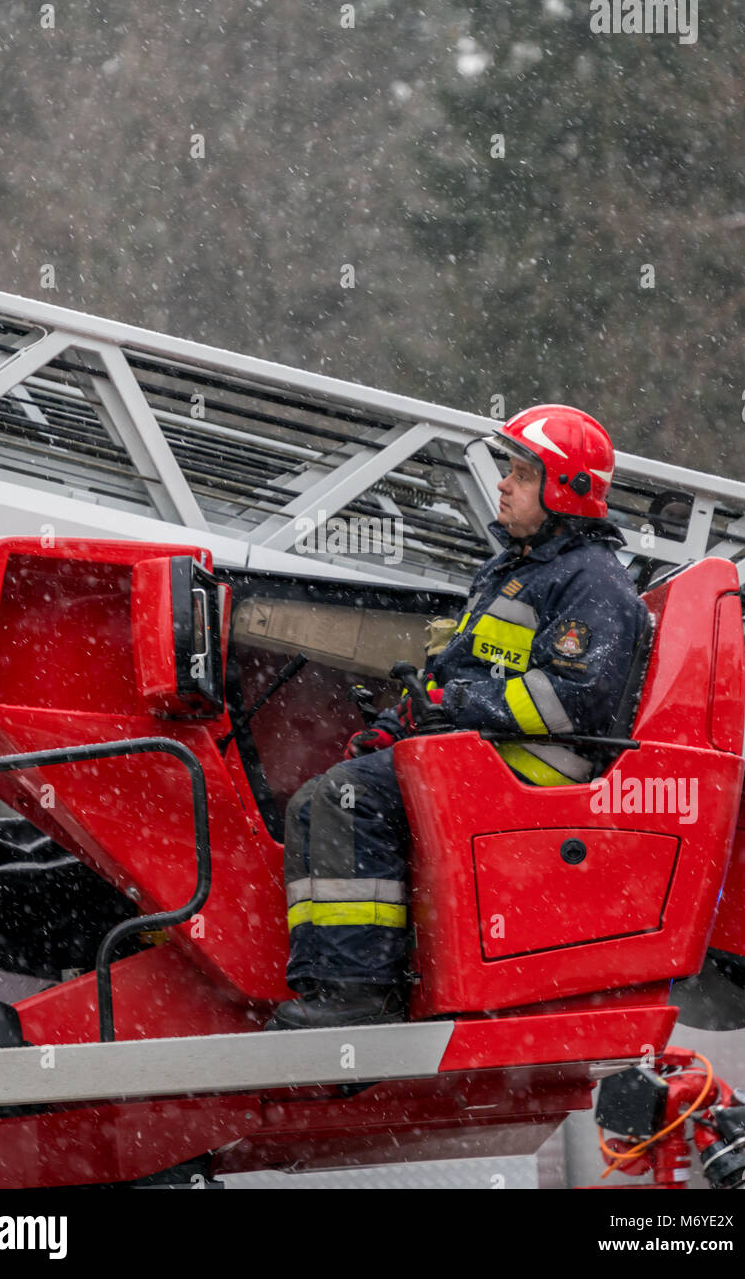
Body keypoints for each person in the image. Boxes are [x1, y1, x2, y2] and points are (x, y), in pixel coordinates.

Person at [266, 404, 649, 1030]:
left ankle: (360, 993)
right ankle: (324, 980)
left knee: (348, 798)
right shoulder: (514, 569)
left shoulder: (592, 584)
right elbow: (455, 674)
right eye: (509, 470)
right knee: (314, 799)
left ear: (565, 490)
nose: (503, 484)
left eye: (522, 474)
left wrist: (455, 708)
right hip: (476, 750)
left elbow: (571, 699)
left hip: (526, 770)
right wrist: (398, 727)